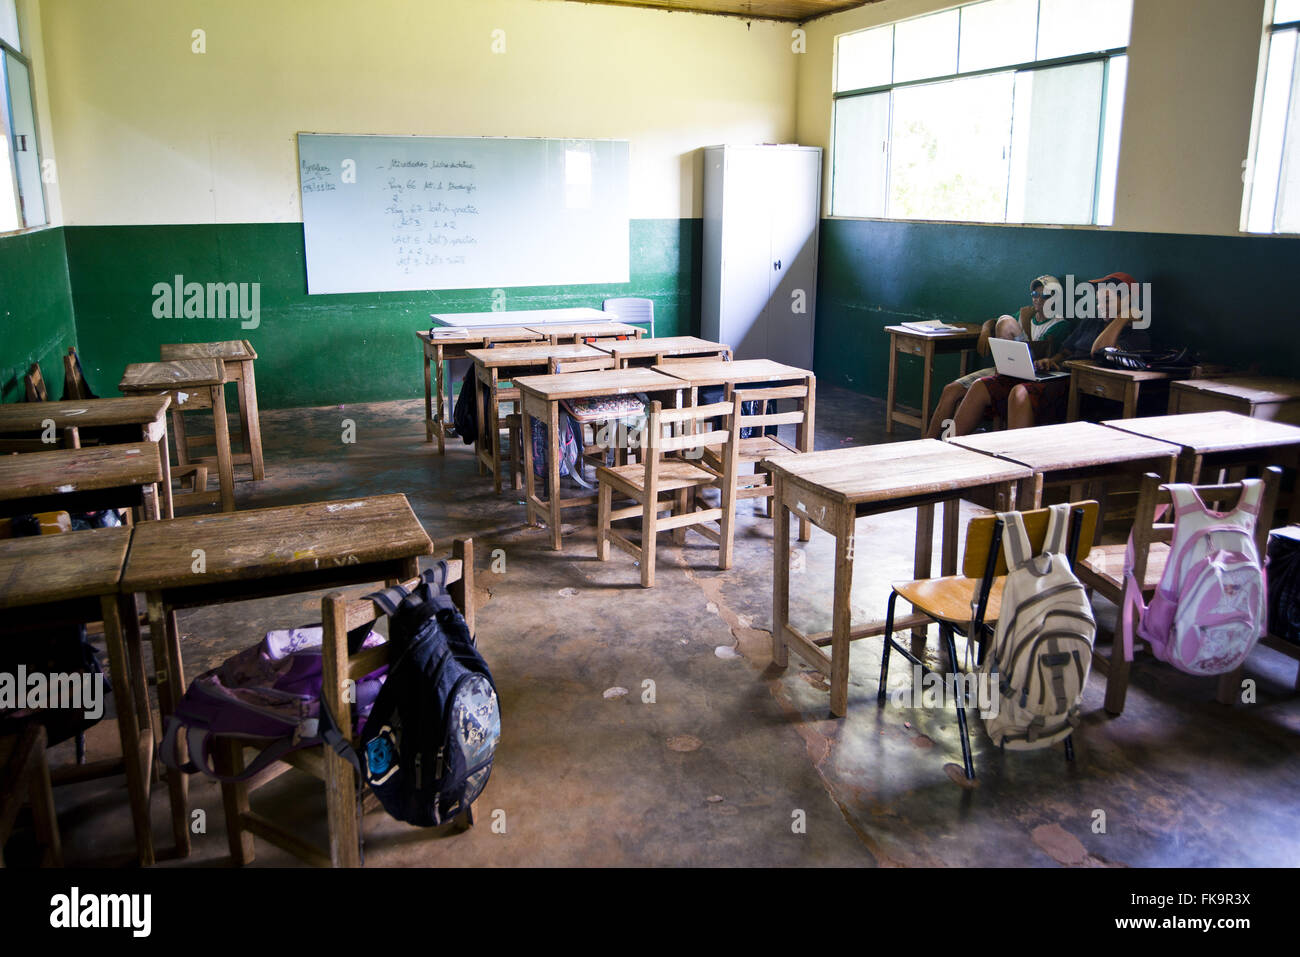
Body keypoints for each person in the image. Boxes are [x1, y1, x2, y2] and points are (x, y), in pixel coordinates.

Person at [949, 271, 1150, 435]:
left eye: (1107, 301)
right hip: (1057, 375)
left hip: (1079, 389)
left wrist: (1122, 318)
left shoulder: (1136, 333)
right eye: (1099, 301)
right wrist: (1051, 361)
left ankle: (1014, 471)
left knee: (1020, 393)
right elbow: (1066, 351)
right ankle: (948, 451)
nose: (1100, 307)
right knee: (981, 386)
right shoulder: (1092, 321)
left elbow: (1099, 351)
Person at [924, 275, 1067, 439]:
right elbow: (994, 321)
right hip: (1003, 368)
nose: (1038, 300)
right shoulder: (1024, 315)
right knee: (950, 390)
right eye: (1035, 295)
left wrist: (1025, 323)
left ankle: (952, 441)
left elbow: (1036, 354)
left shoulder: (1059, 324)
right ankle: (926, 442)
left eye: (1045, 296)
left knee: (1006, 323)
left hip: (1028, 374)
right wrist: (985, 330)